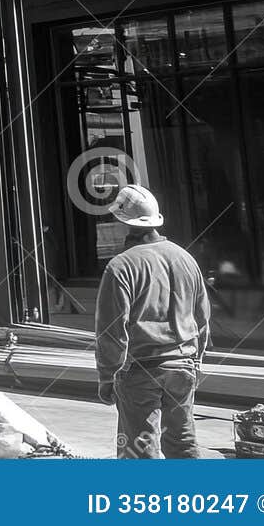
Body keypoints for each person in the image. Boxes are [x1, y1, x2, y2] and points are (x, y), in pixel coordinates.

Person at [95, 184, 211, 459]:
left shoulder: (121, 266)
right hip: (182, 365)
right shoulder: (185, 258)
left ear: (124, 223)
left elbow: (111, 331)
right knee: (182, 443)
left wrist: (107, 377)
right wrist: (196, 362)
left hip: (140, 369)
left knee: (139, 451)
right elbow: (202, 318)